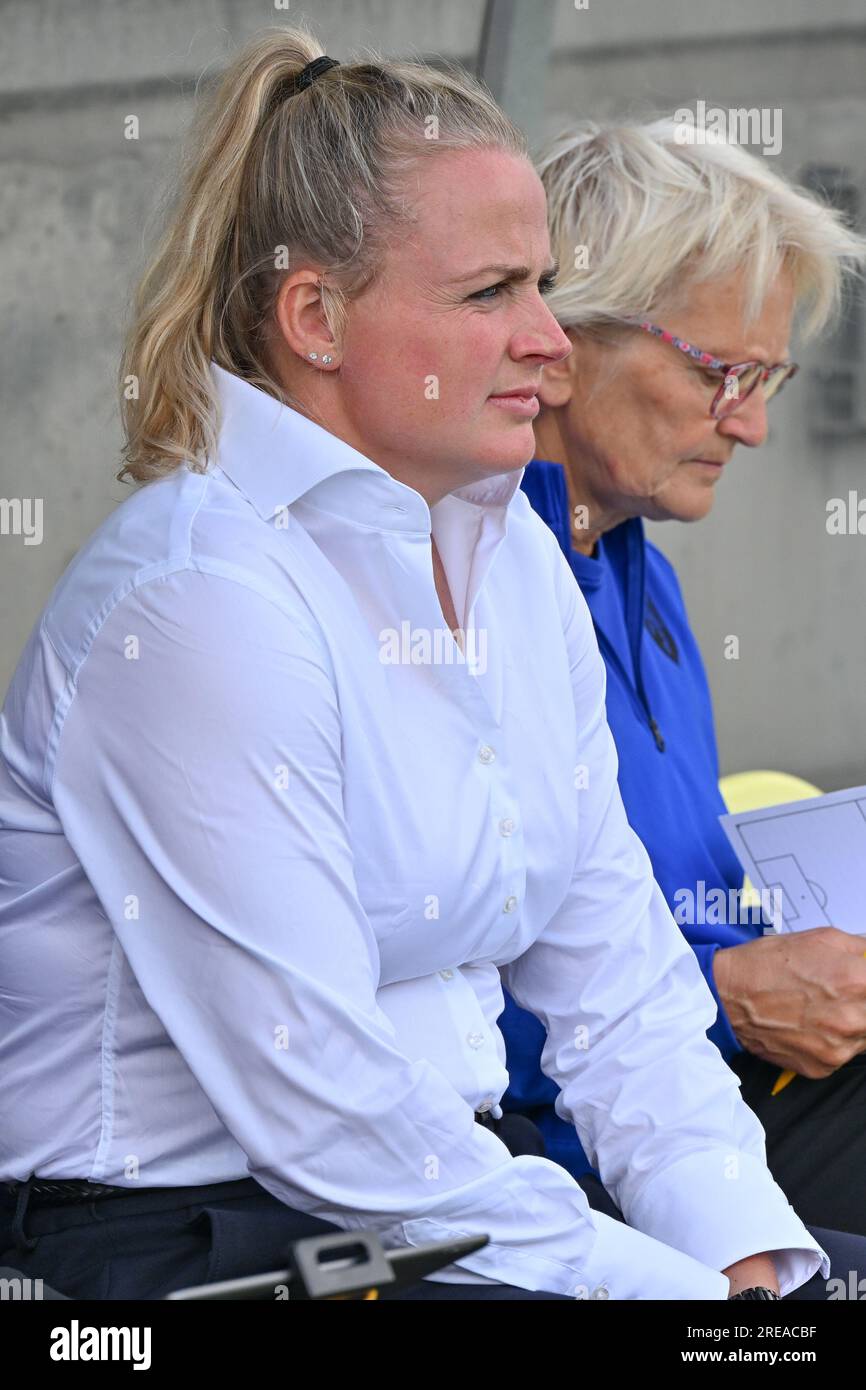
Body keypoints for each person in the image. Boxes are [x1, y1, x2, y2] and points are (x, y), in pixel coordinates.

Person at [0, 29, 836, 1302]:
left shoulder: (510, 559)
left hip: (432, 1212)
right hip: (188, 1247)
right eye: (491, 292)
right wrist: (676, 1304)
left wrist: (753, 1266)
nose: (550, 341)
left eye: (543, 286)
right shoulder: (197, 602)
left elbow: (619, 992)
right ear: (315, 318)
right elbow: (330, 1118)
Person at [499, 116, 866, 1242]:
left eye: (766, 376)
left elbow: (674, 902)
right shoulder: (464, 588)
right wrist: (728, 996)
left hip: (702, 1108)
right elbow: (408, 998)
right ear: (560, 340)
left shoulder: (638, 575)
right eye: (719, 372)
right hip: (558, 1163)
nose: (749, 424)